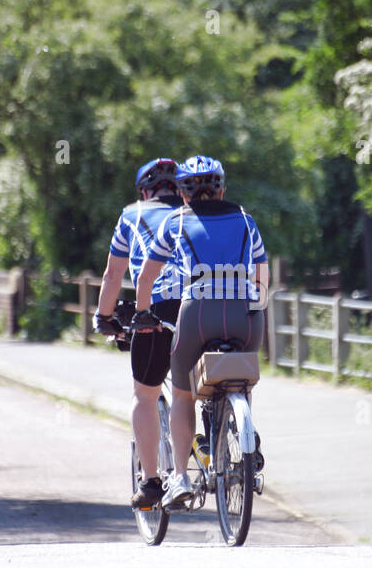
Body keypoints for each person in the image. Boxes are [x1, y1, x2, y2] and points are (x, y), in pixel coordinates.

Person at [133, 155, 269, 508]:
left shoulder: (175, 222)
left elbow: (146, 277)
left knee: (182, 394)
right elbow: (262, 278)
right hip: (244, 315)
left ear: (184, 193)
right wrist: (255, 306)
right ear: (222, 188)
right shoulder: (246, 220)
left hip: (198, 313)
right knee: (239, 377)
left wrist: (144, 313)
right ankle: (246, 439)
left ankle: (179, 478)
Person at [92, 158, 185, 509]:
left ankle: (150, 484)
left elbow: (113, 275)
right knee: (195, 386)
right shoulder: (193, 214)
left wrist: (103, 317)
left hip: (155, 309)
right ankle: (211, 440)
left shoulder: (132, 215)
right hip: (201, 305)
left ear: (145, 191)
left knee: (145, 396)